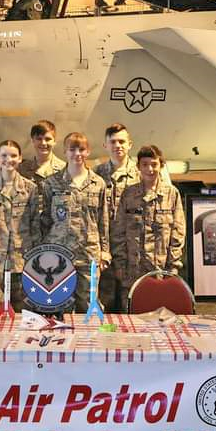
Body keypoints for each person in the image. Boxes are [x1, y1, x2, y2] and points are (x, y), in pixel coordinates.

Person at [38, 132, 109, 312]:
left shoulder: (98, 183)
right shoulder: (51, 183)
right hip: (59, 254)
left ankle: (89, 341)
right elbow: (45, 220)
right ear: (65, 152)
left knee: (88, 305)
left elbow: (103, 221)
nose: (77, 154)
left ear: (88, 152)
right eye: (72, 149)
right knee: (60, 307)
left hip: (88, 255)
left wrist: (105, 252)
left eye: (82, 149)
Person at [110, 145, 185, 306]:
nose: (150, 169)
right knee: (131, 316)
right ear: (138, 167)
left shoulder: (171, 194)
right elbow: (118, 231)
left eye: (154, 164)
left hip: (160, 270)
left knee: (160, 314)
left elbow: (178, 234)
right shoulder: (129, 194)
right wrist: (120, 264)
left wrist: (173, 267)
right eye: (145, 164)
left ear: (161, 165)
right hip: (132, 271)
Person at [0, 139, 42, 309]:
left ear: (20, 159)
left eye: (13, 155)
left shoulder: (30, 189)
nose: (8, 159)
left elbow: (35, 226)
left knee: (22, 313)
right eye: (4, 155)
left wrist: (36, 260)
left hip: (21, 260)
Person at [94, 123, 138, 311]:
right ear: (105, 146)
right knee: (105, 302)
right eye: (113, 142)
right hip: (104, 247)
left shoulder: (140, 174)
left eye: (122, 141)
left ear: (130, 144)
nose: (117, 146)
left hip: (132, 249)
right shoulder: (96, 174)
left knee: (131, 303)